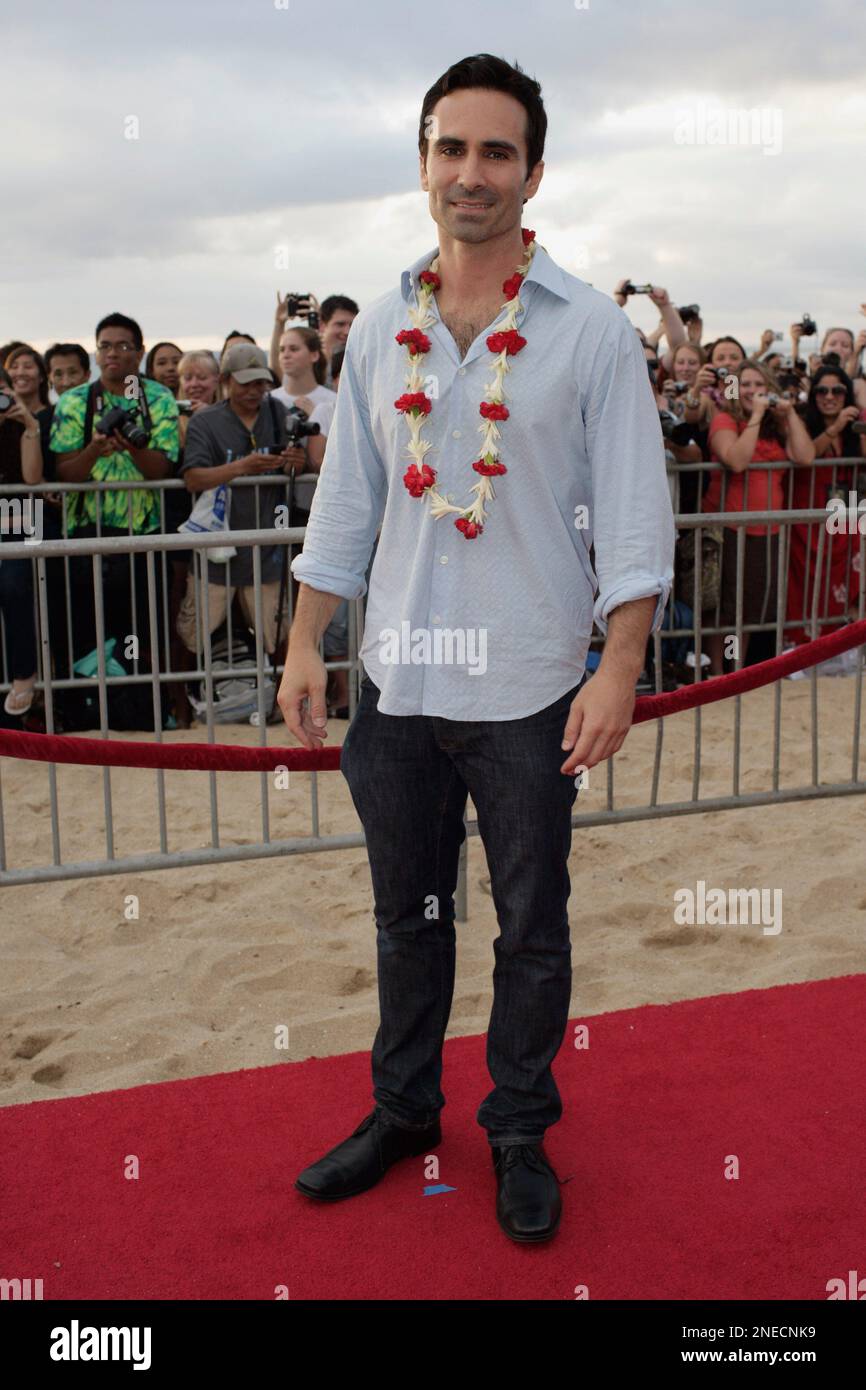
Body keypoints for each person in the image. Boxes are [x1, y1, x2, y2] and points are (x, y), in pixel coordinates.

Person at [279, 54, 675, 1243]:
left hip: (527, 686)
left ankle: (514, 1128)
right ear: (422, 163)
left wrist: (617, 665)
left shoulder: (591, 335)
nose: (470, 173)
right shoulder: (380, 329)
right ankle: (403, 1112)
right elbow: (347, 504)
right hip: (395, 682)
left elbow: (635, 519)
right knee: (406, 919)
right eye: (450, 148)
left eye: (495, 152)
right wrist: (306, 643)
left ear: (532, 172)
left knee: (530, 925)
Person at [49, 313, 179, 689]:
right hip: (85, 537)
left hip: (144, 536)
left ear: (139, 352)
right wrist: (94, 449)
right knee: (86, 631)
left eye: (123, 346)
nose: (112, 354)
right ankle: (89, 707)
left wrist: (130, 449)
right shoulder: (74, 402)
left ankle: (139, 705)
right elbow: (65, 473)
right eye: (104, 346)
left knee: (142, 632)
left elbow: (161, 470)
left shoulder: (158, 398)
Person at [176, 343, 307, 660]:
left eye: (261, 382)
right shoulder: (206, 421)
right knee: (194, 639)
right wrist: (241, 468)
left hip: (267, 553)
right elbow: (192, 478)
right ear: (225, 380)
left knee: (280, 640)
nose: (255, 390)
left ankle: (281, 705)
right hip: (216, 555)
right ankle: (192, 705)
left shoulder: (278, 412)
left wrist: (295, 461)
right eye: (246, 382)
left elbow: (299, 467)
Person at [701, 359, 815, 674]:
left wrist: (789, 414)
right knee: (725, 606)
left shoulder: (775, 425)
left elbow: (805, 456)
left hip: (768, 531)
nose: (752, 390)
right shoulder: (725, 419)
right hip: (730, 527)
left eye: (759, 384)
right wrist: (757, 416)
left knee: (749, 609)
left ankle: (737, 669)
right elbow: (736, 460)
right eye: (746, 384)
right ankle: (717, 672)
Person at [785, 365, 866, 648]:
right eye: (821, 390)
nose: (829, 396)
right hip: (808, 513)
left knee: (851, 577)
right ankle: (807, 646)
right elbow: (807, 454)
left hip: (845, 511)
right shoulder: (803, 422)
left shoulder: (855, 426)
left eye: (837, 390)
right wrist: (836, 427)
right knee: (809, 581)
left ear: (847, 394)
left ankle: (847, 644)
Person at [0, 365, 44, 716]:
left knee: (15, 587)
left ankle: (24, 675)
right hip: (13, 519)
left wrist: (29, 425)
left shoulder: (23, 424)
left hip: (21, 522)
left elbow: (31, 479)